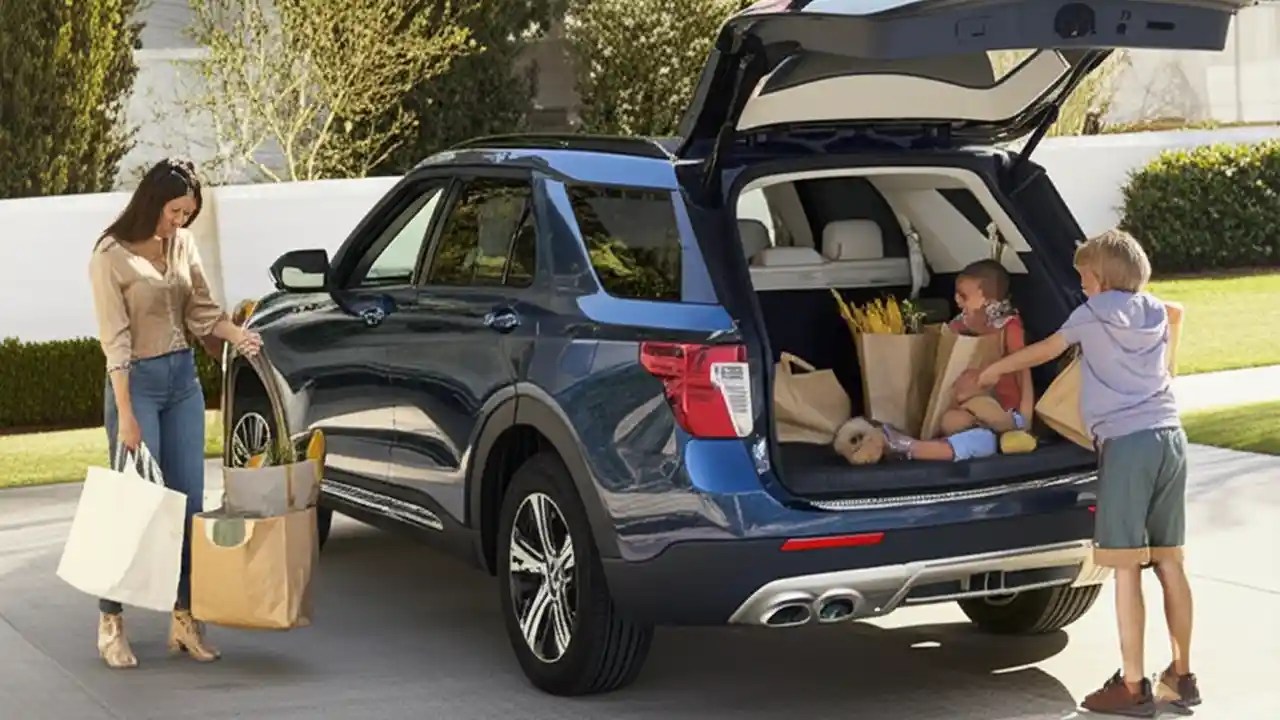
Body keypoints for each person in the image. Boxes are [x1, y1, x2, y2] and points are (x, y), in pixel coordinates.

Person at [959, 229, 1195, 716]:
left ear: (1103, 277)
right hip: (1171, 436)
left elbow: (1045, 350)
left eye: (1085, 276)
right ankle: (1181, 675)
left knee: (1126, 566)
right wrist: (1162, 369)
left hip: (1128, 446)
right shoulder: (1151, 308)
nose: (1081, 285)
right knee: (1170, 560)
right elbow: (1177, 314)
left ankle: (1132, 687)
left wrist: (987, 373)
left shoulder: (1092, 314)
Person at [89, 158, 262, 669]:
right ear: (152, 203)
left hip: (182, 382)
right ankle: (110, 621)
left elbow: (202, 309)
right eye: (174, 212)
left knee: (189, 503)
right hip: (136, 384)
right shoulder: (109, 255)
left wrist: (239, 336)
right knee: (137, 506)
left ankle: (184, 618)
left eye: (187, 214)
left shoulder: (183, 244)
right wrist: (125, 413)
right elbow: (114, 341)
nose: (179, 222)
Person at [879, 259, 1034, 462]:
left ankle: (911, 448)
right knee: (950, 421)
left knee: (977, 429)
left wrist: (1026, 416)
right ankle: (993, 440)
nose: (957, 301)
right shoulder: (962, 323)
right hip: (975, 406)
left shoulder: (1008, 327)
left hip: (1005, 410)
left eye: (964, 296)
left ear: (988, 299)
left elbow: (1024, 369)